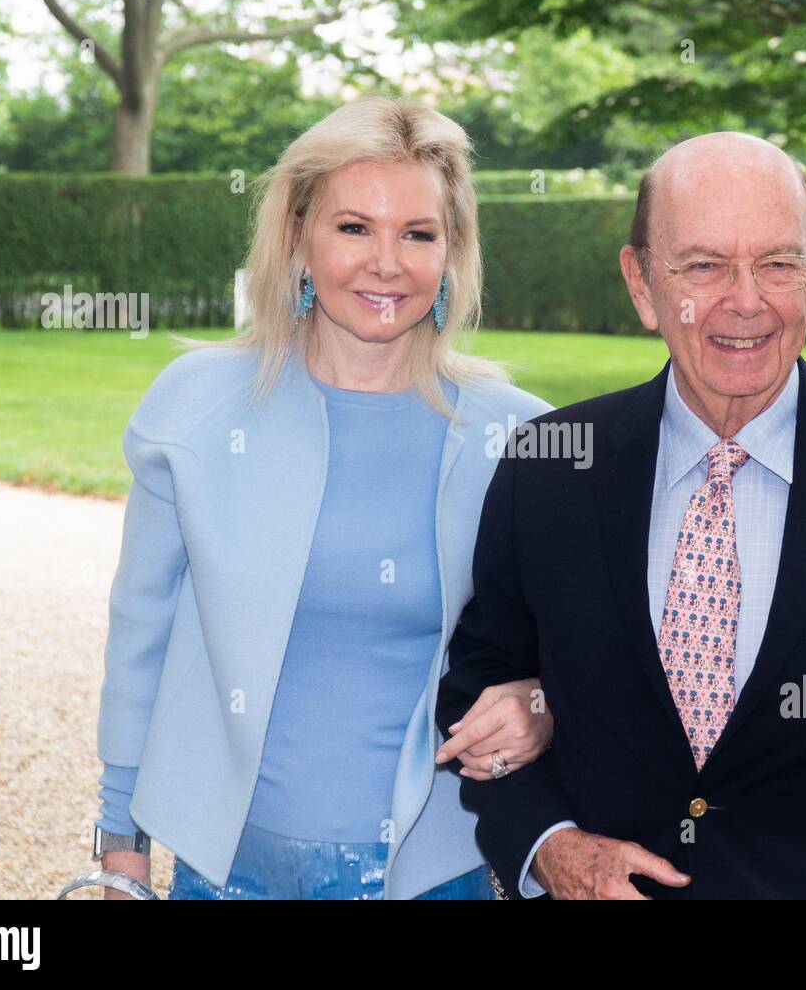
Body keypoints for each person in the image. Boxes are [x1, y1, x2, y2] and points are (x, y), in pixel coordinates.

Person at [435, 131, 806, 899]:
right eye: (703, 266)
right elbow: (481, 690)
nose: (747, 300)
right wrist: (549, 846)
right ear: (641, 283)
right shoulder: (549, 468)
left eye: (778, 263)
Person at [93, 95, 554, 900]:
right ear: (298, 238)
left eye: (418, 234)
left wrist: (541, 705)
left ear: (451, 254)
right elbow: (143, 634)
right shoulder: (195, 406)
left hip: (431, 877)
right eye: (354, 228)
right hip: (225, 874)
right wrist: (119, 840)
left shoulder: (519, 438)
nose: (387, 263)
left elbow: (584, 658)